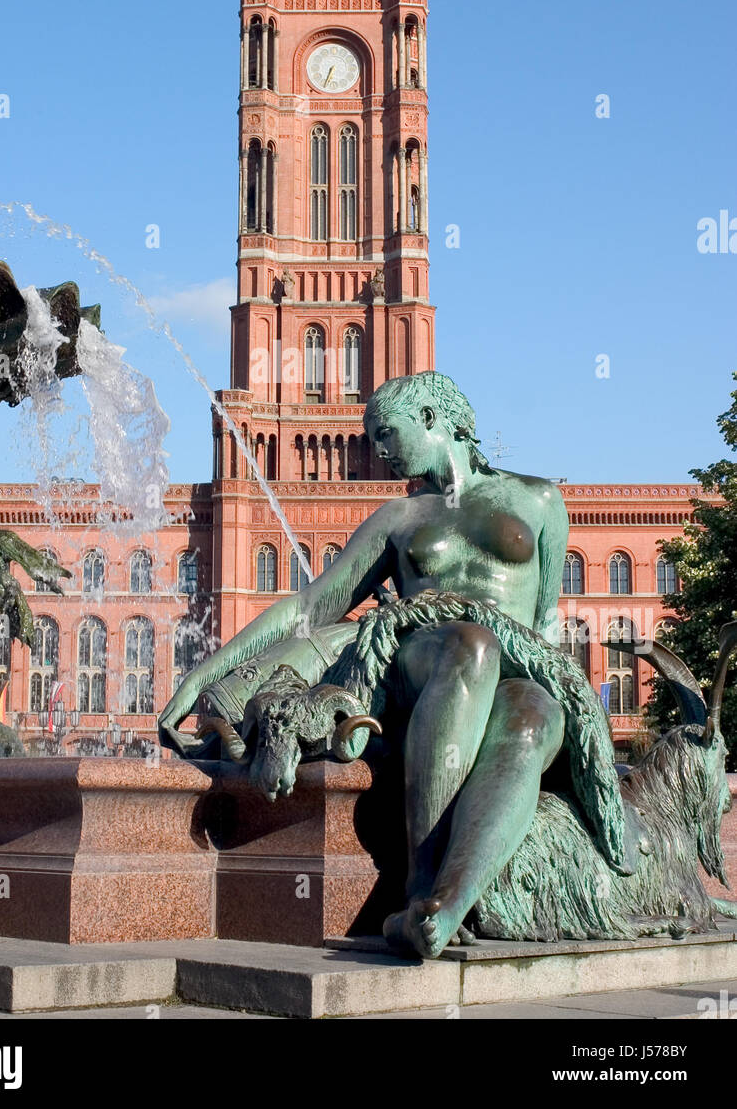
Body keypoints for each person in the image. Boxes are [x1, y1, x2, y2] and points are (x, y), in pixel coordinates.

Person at [159, 371, 637, 958]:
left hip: (514, 665)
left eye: (385, 432)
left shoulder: (540, 500)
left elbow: (538, 622)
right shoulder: (398, 519)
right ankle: (419, 881)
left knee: (534, 716)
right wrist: (206, 673)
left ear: (433, 418)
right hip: (422, 663)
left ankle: (446, 906)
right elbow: (312, 606)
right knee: (471, 646)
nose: (375, 448)